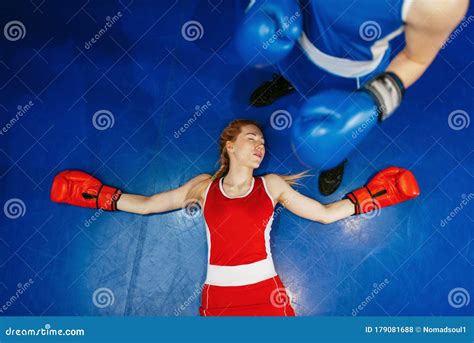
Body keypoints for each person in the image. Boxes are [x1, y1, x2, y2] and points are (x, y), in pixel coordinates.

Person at [50, 119, 420, 316]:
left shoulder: (271, 185)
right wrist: (96, 196)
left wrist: (376, 196)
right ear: (230, 145)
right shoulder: (203, 187)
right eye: (252, 138)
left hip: (267, 297)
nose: (260, 146)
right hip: (219, 301)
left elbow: (325, 215)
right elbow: (147, 204)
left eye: (263, 143)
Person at [236, 0, 468, 196]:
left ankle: (335, 161)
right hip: (290, 50)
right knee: (287, 70)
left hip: (347, 79)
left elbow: (416, 59)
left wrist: (373, 102)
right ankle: (286, 83)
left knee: (335, 132)